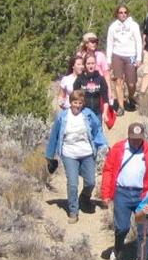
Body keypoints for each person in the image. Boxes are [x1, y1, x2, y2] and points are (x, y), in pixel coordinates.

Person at [99, 122, 148, 260]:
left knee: (144, 229)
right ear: (128, 136)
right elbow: (108, 171)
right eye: (133, 138)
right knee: (122, 227)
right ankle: (118, 249)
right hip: (122, 192)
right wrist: (106, 194)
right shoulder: (118, 149)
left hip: (143, 194)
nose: (135, 141)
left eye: (138, 138)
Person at [45, 90, 108, 224]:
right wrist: (50, 156)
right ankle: (73, 211)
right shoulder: (62, 117)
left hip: (87, 153)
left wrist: (103, 144)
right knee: (73, 184)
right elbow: (54, 136)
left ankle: (84, 198)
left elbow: (97, 130)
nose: (77, 105)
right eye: (75, 102)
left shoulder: (88, 115)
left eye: (80, 103)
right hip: (69, 154)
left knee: (91, 182)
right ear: (70, 102)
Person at [106, 4, 141, 116]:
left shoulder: (133, 25)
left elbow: (138, 41)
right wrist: (108, 59)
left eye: (125, 12)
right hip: (117, 55)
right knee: (118, 81)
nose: (123, 14)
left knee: (131, 83)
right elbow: (110, 43)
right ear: (117, 14)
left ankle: (130, 97)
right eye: (121, 12)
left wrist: (139, 57)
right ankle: (121, 106)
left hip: (131, 55)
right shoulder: (113, 27)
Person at [74, 52, 109, 119]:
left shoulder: (100, 79)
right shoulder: (80, 79)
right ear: (84, 64)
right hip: (83, 113)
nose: (91, 66)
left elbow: (105, 99)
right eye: (88, 63)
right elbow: (75, 98)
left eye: (93, 63)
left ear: (95, 64)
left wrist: (105, 113)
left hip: (97, 113)